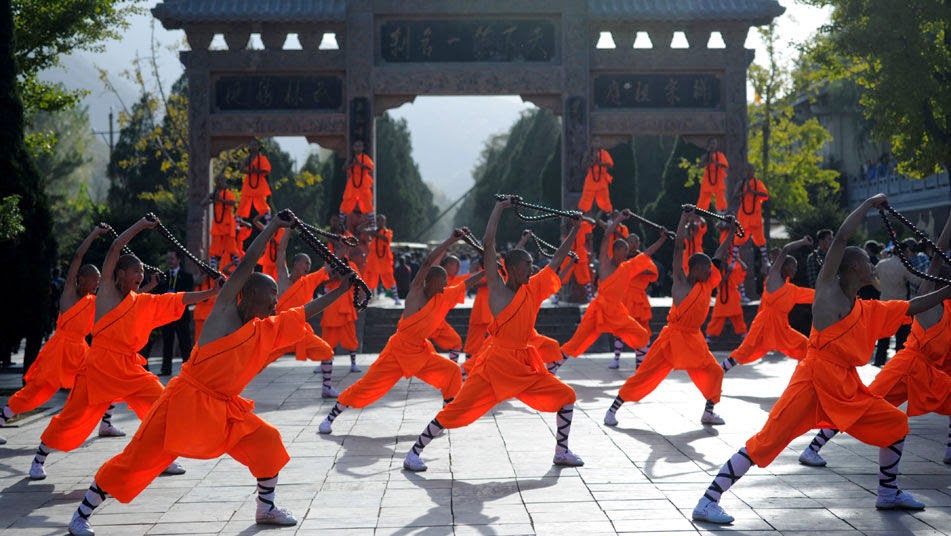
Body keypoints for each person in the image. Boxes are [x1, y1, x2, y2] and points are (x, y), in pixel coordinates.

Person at [65, 212, 355, 536]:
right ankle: (81, 515)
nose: (276, 305)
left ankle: (266, 507)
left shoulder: (264, 327)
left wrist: (341, 290)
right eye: (271, 299)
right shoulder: (224, 313)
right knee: (133, 461)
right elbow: (247, 263)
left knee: (267, 441)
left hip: (224, 408)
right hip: (183, 404)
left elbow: (301, 313)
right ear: (250, 296)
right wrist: (272, 227)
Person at [692, 194, 951, 524]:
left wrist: (947, 291)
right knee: (766, 442)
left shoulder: (867, 309)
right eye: (866, 262)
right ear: (853, 267)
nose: (872, 265)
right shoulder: (828, 292)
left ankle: (888, 493)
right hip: (811, 382)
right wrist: (867, 205)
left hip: (845, 387)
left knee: (895, 424)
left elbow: (911, 307)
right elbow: (841, 239)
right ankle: (708, 500)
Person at [31, 216, 220, 481]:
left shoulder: (139, 301)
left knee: (161, 404)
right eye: (135, 271)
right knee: (72, 419)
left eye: (142, 272)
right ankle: (40, 457)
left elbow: (174, 300)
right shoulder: (106, 292)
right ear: (120, 274)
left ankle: (162, 457)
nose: (140, 276)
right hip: (98, 368)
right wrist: (141, 225)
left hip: (129, 368)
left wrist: (211, 293)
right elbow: (116, 247)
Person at [402, 198, 584, 471]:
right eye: (526, 265)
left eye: (531, 264)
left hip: (524, 365)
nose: (531, 268)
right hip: (494, 367)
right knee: (456, 411)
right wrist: (499, 208)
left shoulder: (533, 287)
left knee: (566, 396)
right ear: (512, 269)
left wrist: (575, 229)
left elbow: (557, 259)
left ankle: (562, 451)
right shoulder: (498, 291)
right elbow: (489, 245)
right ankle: (414, 453)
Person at [797, 212, 951, 468]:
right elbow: (937, 256)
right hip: (905, 368)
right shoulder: (931, 302)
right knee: (858, 409)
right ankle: (813, 447)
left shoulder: (946, 308)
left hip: (931, 373)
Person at [318, 229, 484, 434]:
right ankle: (330, 417)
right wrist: (450, 240)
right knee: (366, 387)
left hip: (420, 352)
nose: (445, 284)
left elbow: (466, 284)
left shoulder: (443, 296)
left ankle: (446, 417)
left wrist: (488, 270)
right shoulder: (416, 294)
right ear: (431, 281)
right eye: (442, 281)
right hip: (397, 352)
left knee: (451, 372)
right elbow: (428, 262)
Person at [604, 208, 734, 428]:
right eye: (706, 269)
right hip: (671, 340)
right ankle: (613, 409)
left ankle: (709, 412)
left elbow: (720, 256)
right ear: (695, 269)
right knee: (645, 375)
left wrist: (730, 232)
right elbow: (678, 247)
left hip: (694, 340)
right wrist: (683, 218)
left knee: (714, 371)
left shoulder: (706, 284)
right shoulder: (681, 283)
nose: (710, 272)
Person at [0, 225, 117, 444]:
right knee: (36, 392)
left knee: (104, 378)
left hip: (81, 350)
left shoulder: (94, 300)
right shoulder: (69, 294)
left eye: (99, 279)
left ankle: (106, 423)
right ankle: (1, 419)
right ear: (81, 279)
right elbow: (78, 256)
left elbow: (123, 302)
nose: (98, 283)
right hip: (59, 350)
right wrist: (94, 233)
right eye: (95, 279)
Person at [558, 210, 655, 370]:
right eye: (624, 249)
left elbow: (647, 257)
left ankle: (641, 366)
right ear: (616, 250)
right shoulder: (605, 263)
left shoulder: (628, 266)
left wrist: (662, 239)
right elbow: (606, 235)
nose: (626, 253)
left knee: (641, 334)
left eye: (629, 248)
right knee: (577, 341)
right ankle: (554, 365)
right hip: (600, 309)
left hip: (620, 308)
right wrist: (618, 219)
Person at [721, 237, 815, 372]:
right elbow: (786, 249)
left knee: (804, 344)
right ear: (784, 266)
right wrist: (803, 242)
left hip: (782, 327)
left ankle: (803, 373)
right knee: (745, 351)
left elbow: (811, 295)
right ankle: (720, 369)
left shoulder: (791, 290)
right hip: (764, 325)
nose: (796, 269)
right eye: (793, 266)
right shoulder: (774, 278)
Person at [273, 234, 335, 370]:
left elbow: (328, 267)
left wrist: (341, 251)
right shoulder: (283, 278)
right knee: (257, 361)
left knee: (326, 351)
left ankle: (326, 383)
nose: (308, 266)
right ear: (296, 264)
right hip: (278, 331)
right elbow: (281, 250)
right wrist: (289, 228)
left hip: (299, 331)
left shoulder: (309, 281)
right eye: (306, 262)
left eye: (309, 264)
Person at [613, 231, 665, 369]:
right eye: (629, 241)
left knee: (642, 330)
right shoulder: (622, 258)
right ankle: (616, 358)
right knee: (619, 328)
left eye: (634, 242)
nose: (632, 244)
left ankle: (641, 362)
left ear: (639, 243)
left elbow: (652, 271)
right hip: (624, 297)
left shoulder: (642, 257)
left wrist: (637, 270)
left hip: (638, 298)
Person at [316, 258, 363, 397]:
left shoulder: (351, 264)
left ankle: (353, 363)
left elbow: (357, 282)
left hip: (346, 304)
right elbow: (321, 282)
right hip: (332, 305)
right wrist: (334, 277)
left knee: (350, 336)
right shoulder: (329, 264)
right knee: (327, 339)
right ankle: (323, 362)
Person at [872, 238, 921, 366]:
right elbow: (916, 281)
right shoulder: (903, 266)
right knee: (902, 338)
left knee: (883, 337)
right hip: (900, 306)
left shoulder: (881, 264)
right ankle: (899, 364)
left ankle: (879, 361)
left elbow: (871, 275)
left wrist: (879, 287)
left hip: (884, 304)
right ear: (904, 252)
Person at [158, 250, 195, 376]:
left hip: (181, 314)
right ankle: (166, 369)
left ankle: (188, 369)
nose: (169, 261)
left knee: (185, 342)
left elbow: (189, 293)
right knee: (167, 342)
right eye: (168, 258)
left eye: (172, 258)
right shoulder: (163, 276)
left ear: (178, 260)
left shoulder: (187, 276)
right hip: (167, 315)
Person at [428, 255, 466, 363]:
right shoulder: (434, 278)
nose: (457, 268)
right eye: (454, 264)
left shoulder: (457, 280)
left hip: (439, 322)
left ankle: (453, 367)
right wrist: (444, 246)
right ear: (445, 265)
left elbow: (471, 278)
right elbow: (431, 265)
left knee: (456, 342)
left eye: (458, 265)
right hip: (424, 320)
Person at [733, 165, 770, 272]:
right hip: (743, 216)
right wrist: (745, 193)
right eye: (747, 170)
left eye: (751, 170)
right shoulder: (741, 184)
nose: (749, 172)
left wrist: (753, 192)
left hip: (755, 216)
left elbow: (765, 195)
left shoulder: (758, 183)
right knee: (738, 238)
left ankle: (765, 259)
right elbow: (735, 195)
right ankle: (733, 260)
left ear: (754, 171)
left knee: (760, 238)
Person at [705, 254, 748, 340]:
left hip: (732, 295)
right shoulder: (718, 268)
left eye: (727, 255)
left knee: (737, 316)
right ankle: (709, 336)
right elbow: (720, 283)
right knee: (717, 317)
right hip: (722, 296)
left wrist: (738, 259)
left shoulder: (732, 265)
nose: (725, 257)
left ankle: (743, 334)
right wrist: (728, 273)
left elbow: (745, 268)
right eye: (724, 255)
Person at [204, 174, 240, 270]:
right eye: (218, 181)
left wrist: (221, 200)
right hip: (217, 226)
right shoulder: (214, 194)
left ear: (225, 182)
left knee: (232, 249)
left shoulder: (228, 193)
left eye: (221, 181)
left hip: (227, 225)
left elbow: (233, 202)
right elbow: (203, 203)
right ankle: (213, 269)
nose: (219, 183)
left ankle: (238, 268)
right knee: (214, 250)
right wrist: (211, 199)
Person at [364, 215, 400, 306]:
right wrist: (367, 224)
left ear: (384, 222)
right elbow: (361, 231)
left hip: (384, 260)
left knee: (390, 279)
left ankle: (396, 298)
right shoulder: (373, 231)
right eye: (378, 221)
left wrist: (374, 233)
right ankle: (367, 298)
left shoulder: (388, 232)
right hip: (373, 260)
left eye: (381, 221)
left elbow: (386, 239)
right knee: (370, 279)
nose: (380, 222)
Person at [236, 139, 272, 220]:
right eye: (252, 145)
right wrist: (249, 171)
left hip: (259, 184)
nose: (253, 147)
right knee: (243, 202)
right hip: (248, 184)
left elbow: (266, 170)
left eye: (255, 145)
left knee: (262, 203)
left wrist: (256, 171)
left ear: (259, 147)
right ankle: (238, 221)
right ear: (249, 147)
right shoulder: (247, 159)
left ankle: (268, 220)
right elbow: (241, 169)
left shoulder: (262, 158)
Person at [463, 257, 491, 359]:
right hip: (483, 306)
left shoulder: (499, 265)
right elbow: (474, 282)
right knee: (475, 336)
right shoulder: (482, 265)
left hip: (490, 306)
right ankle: (469, 361)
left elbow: (476, 282)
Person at [339, 139, 375, 220]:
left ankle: (372, 223)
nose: (358, 148)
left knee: (367, 201)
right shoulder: (351, 158)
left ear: (362, 148)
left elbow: (370, 167)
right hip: (353, 182)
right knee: (347, 199)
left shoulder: (365, 158)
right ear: (353, 148)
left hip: (363, 182)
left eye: (359, 146)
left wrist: (359, 164)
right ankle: (341, 221)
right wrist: (353, 164)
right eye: (356, 146)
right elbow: (344, 168)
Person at [578, 148, 614, 213]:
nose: (596, 144)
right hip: (591, 180)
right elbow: (583, 165)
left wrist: (600, 163)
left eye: (598, 142)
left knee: (605, 201)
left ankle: (609, 215)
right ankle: (581, 214)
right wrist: (591, 163)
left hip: (602, 180)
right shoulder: (588, 153)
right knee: (585, 201)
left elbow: (610, 165)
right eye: (595, 142)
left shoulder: (604, 153)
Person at [697, 138, 728, 212]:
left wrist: (715, 162)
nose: (712, 145)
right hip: (708, 178)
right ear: (708, 145)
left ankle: (722, 211)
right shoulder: (705, 156)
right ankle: (701, 211)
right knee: (704, 195)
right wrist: (708, 162)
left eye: (714, 144)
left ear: (716, 145)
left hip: (718, 178)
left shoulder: (720, 155)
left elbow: (725, 165)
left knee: (720, 195)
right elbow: (699, 166)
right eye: (711, 143)